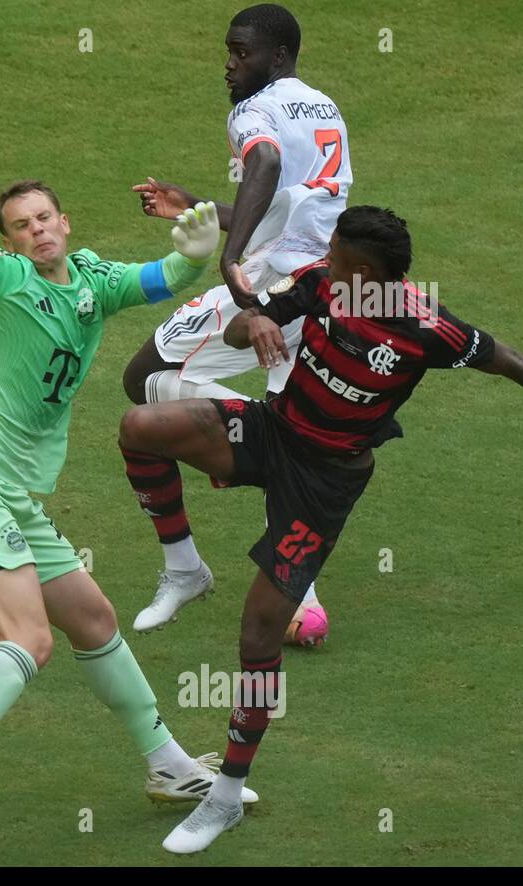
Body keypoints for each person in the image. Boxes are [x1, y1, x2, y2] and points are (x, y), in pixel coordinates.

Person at [0, 101, 257, 864]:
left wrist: (198, 255)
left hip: (9, 492)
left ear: (65, 223)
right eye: (20, 225)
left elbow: (157, 278)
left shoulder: (92, 282)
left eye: (44, 218)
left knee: (94, 618)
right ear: (10, 241)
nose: (35, 230)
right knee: (29, 637)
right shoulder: (4, 281)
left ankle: (170, 766)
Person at [118, 205, 523, 853]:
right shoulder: (319, 283)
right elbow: (243, 328)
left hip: (324, 485)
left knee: (258, 633)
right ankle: (184, 568)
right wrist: (252, 323)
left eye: (336, 255)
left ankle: (224, 795)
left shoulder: (429, 331)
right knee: (140, 427)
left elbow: (514, 363)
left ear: (365, 272)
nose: (324, 261)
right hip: (271, 433)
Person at [124, 3, 351, 644]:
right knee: (157, 384)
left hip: (274, 281)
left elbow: (268, 168)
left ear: (276, 56)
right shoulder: (322, 104)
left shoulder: (252, 112)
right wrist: (198, 206)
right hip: (324, 281)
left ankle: (208, 571)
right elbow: (289, 206)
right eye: (227, 51)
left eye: (241, 52)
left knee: (146, 380)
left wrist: (229, 256)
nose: (229, 64)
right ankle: (276, 584)